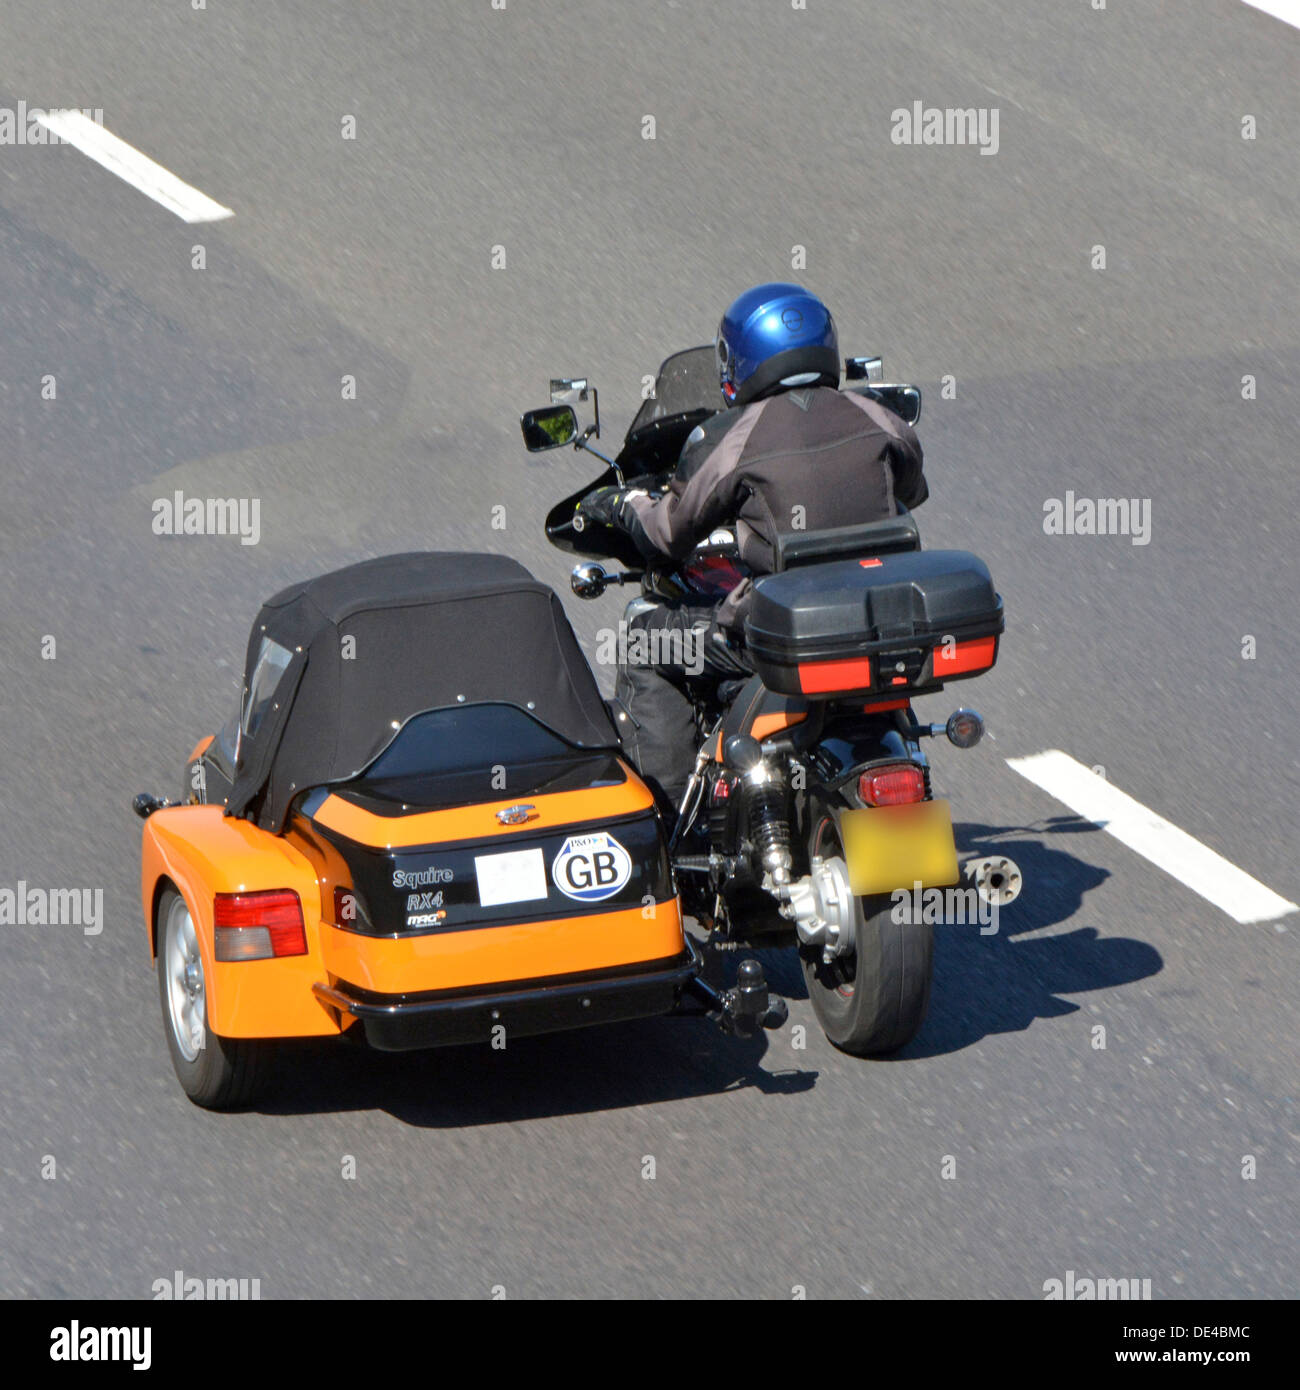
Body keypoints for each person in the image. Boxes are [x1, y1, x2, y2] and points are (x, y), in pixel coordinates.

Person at [578, 282, 928, 810]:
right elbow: (908, 492)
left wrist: (625, 505)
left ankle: (667, 825)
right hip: (879, 624)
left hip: (775, 634)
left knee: (641, 638)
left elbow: (669, 533)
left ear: (738, 360)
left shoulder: (735, 436)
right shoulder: (877, 415)